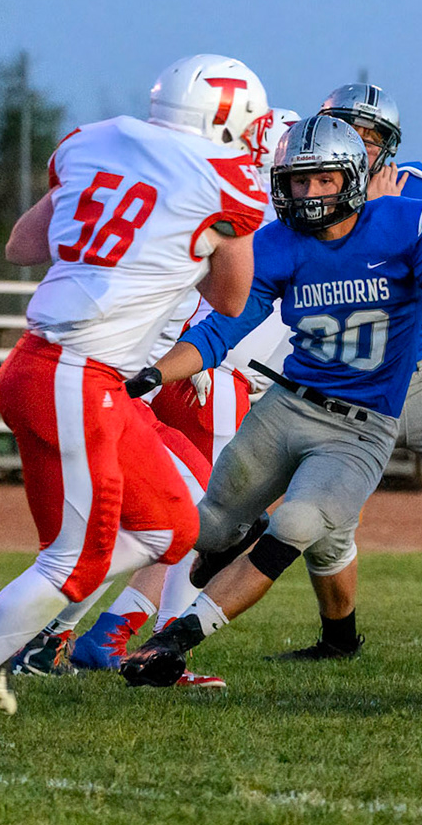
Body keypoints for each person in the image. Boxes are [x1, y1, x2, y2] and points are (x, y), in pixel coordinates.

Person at [0, 53, 270, 743]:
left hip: (51, 367)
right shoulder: (226, 180)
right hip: (78, 375)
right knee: (75, 561)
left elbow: (21, 243)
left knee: (172, 526)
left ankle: (8, 636)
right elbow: (231, 298)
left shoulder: (92, 142)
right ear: (229, 119)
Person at [115, 114, 422, 688]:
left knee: (296, 523)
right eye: (297, 181)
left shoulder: (410, 221)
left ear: (353, 178)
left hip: (361, 426)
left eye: (323, 181)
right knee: (207, 529)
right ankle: (113, 609)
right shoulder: (276, 242)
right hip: (287, 406)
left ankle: (173, 643)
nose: (309, 194)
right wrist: (153, 377)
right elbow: (222, 331)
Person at [239, 82, 422, 661]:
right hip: (335, 387)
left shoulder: (414, 190)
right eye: (351, 132)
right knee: (324, 528)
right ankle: (338, 638)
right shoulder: (305, 189)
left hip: (421, 375)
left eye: (372, 138)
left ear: (388, 146)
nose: (362, 147)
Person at [65, 108, 301, 683]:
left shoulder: (199, 189)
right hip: (208, 375)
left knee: (168, 522)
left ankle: (102, 633)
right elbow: (212, 299)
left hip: (169, 368)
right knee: (205, 525)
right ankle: (147, 648)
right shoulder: (252, 209)